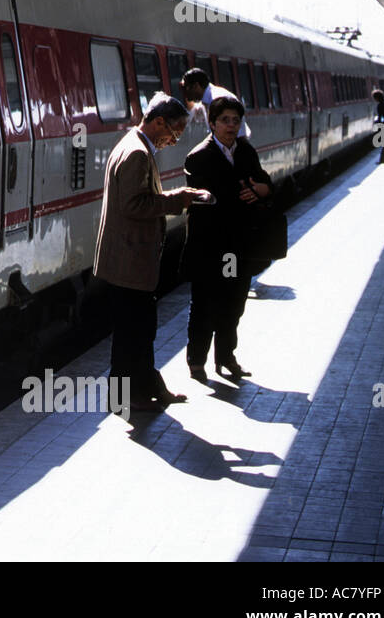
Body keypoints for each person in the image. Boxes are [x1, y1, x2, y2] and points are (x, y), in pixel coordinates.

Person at [95, 93, 209, 411]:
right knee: (135, 331)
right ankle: (129, 397)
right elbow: (134, 204)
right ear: (159, 122)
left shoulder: (133, 144)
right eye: (175, 132)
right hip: (130, 259)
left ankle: (144, 389)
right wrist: (179, 198)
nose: (175, 140)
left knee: (137, 329)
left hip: (126, 259)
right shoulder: (137, 154)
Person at [181, 96, 273, 382]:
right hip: (210, 246)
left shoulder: (246, 151)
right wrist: (240, 193)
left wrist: (258, 188)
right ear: (212, 123)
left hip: (238, 246)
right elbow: (204, 198)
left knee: (233, 303)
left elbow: (266, 183)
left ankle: (226, 357)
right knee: (205, 304)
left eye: (236, 120)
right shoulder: (198, 157)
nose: (231, 126)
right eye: (225, 120)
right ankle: (197, 362)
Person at [181, 68, 249, 139]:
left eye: (186, 88)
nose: (185, 94)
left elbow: (235, 134)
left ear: (196, 86)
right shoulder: (207, 100)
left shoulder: (219, 99)